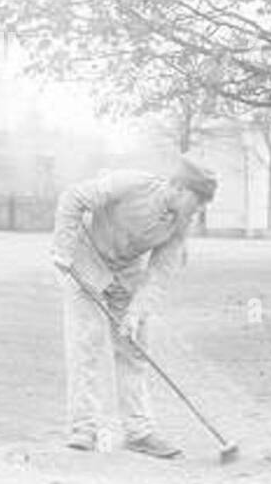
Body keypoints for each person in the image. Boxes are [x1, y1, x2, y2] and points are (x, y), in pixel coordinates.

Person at [49, 155, 218, 458]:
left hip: (127, 274)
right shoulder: (130, 183)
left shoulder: (181, 224)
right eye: (199, 200)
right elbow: (73, 197)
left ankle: (138, 432)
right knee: (86, 343)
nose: (200, 208)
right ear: (179, 188)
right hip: (86, 258)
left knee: (135, 349)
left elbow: (158, 274)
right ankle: (83, 428)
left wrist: (135, 313)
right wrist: (62, 246)